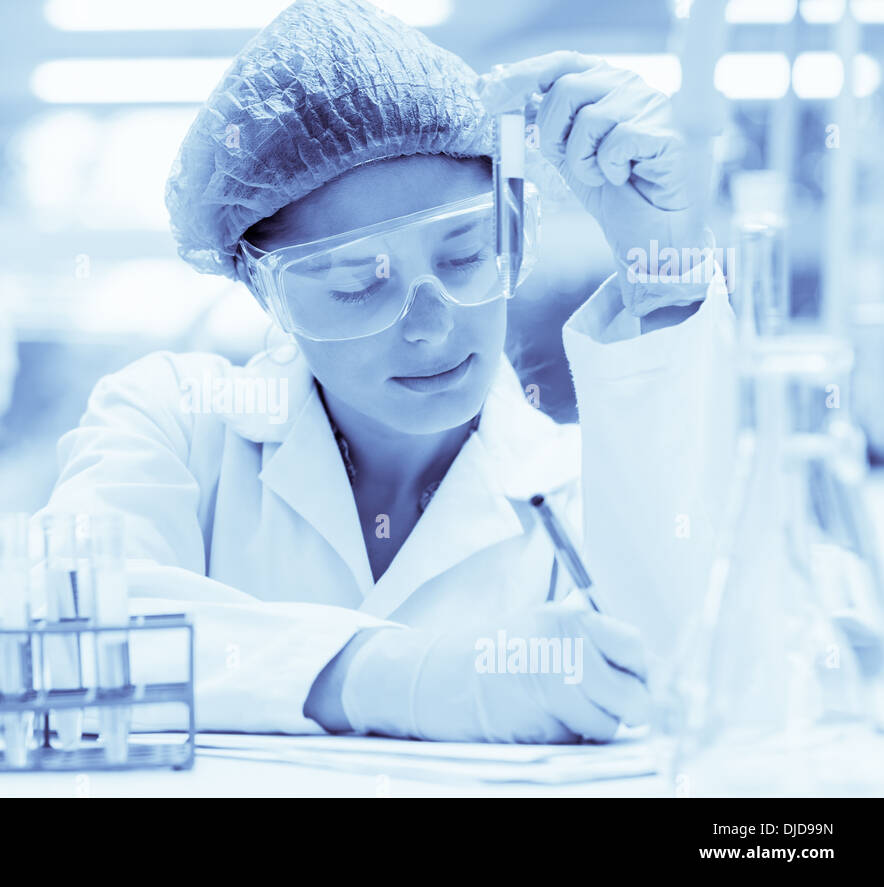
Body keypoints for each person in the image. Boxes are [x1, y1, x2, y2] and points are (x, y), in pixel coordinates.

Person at [36, 0, 735, 742]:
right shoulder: (175, 422)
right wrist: (408, 677)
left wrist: (665, 278)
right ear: (265, 290)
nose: (432, 326)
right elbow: (66, 634)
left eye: (465, 256)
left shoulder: (578, 490)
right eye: (356, 285)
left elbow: (711, 677)